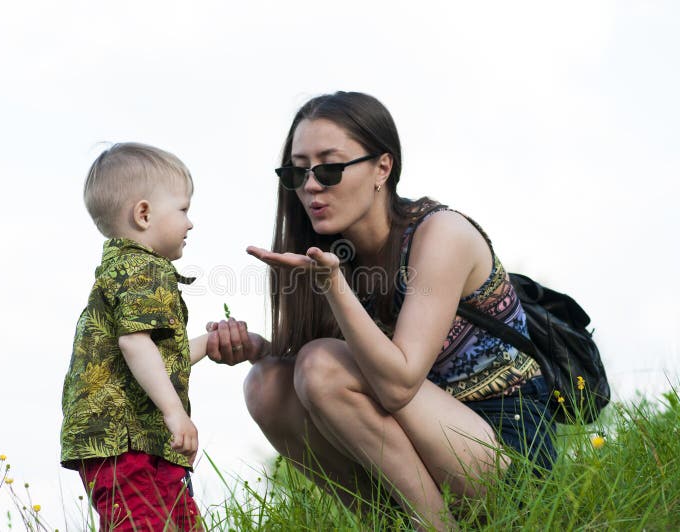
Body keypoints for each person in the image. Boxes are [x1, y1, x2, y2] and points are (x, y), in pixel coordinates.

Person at [206, 92, 556, 530]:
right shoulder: (334, 253)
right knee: (267, 384)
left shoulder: (440, 233)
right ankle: (394, 524)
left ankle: (433, 527)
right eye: (297, 172)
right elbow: (337, 380)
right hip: (421, 447)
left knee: (321, 365)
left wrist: (334, 286)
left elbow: (397, 386)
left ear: (382, 168)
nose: (311, 185)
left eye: (329, 168)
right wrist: (260, 350)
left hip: (506, 452)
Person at [60, 143, 252, 531]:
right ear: (144, 214)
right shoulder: (142, 268)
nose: (190, 223)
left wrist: (206, 344)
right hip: (123, 439)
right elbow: (135, 344)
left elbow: (152, 355)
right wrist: (175, 412)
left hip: (137, 438)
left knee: (175, 522)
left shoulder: (126, 269)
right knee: (144, 523)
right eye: (183, 209)